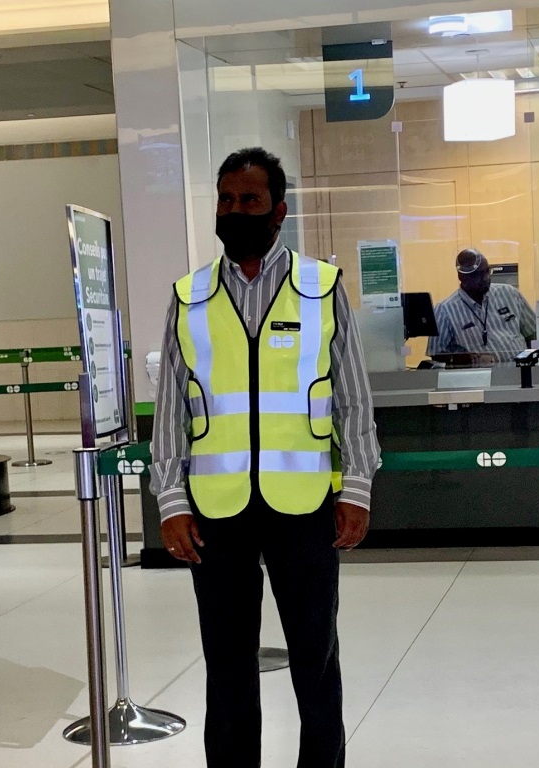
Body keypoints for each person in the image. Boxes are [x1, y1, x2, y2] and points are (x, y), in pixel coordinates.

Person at [152, 147, 379, 768]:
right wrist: (171, 503)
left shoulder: (321, 290)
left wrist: (355, 489)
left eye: (249, 200)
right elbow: (171, 410)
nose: (235, 211)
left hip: (303, 506)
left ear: (278, 211)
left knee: (315, 658)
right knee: (226, 666)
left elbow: (354, 402)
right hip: (215, 512)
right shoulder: (189, 297)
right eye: (226, 200)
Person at [429, 248, 537, 363]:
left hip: (520, 373)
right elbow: (436, 353)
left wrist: (531, 362)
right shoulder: (445, 310)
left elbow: (533, 334)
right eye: (478, 274)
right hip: (479, 377)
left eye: (487, 271)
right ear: (462, 277)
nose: (486, 278)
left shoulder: (509, 293)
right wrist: (459, 358)